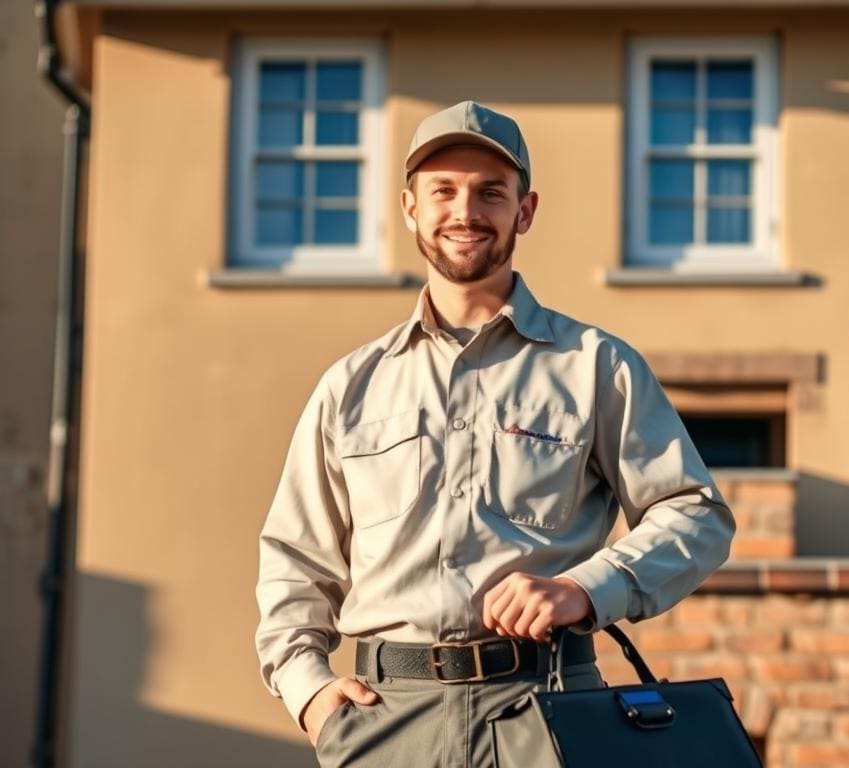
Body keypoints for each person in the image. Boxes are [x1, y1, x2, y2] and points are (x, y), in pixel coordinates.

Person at [255, 100, 735, 767]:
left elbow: (696, 516)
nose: (465, 210)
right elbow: (294, 561)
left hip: (550, 710)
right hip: (385, 724)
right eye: (443, 190)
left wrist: (587, 587)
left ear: (525, 210)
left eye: (490, 192)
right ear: (409, 207)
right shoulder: (351, 386)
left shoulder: (596, 365)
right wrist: (311, 695)